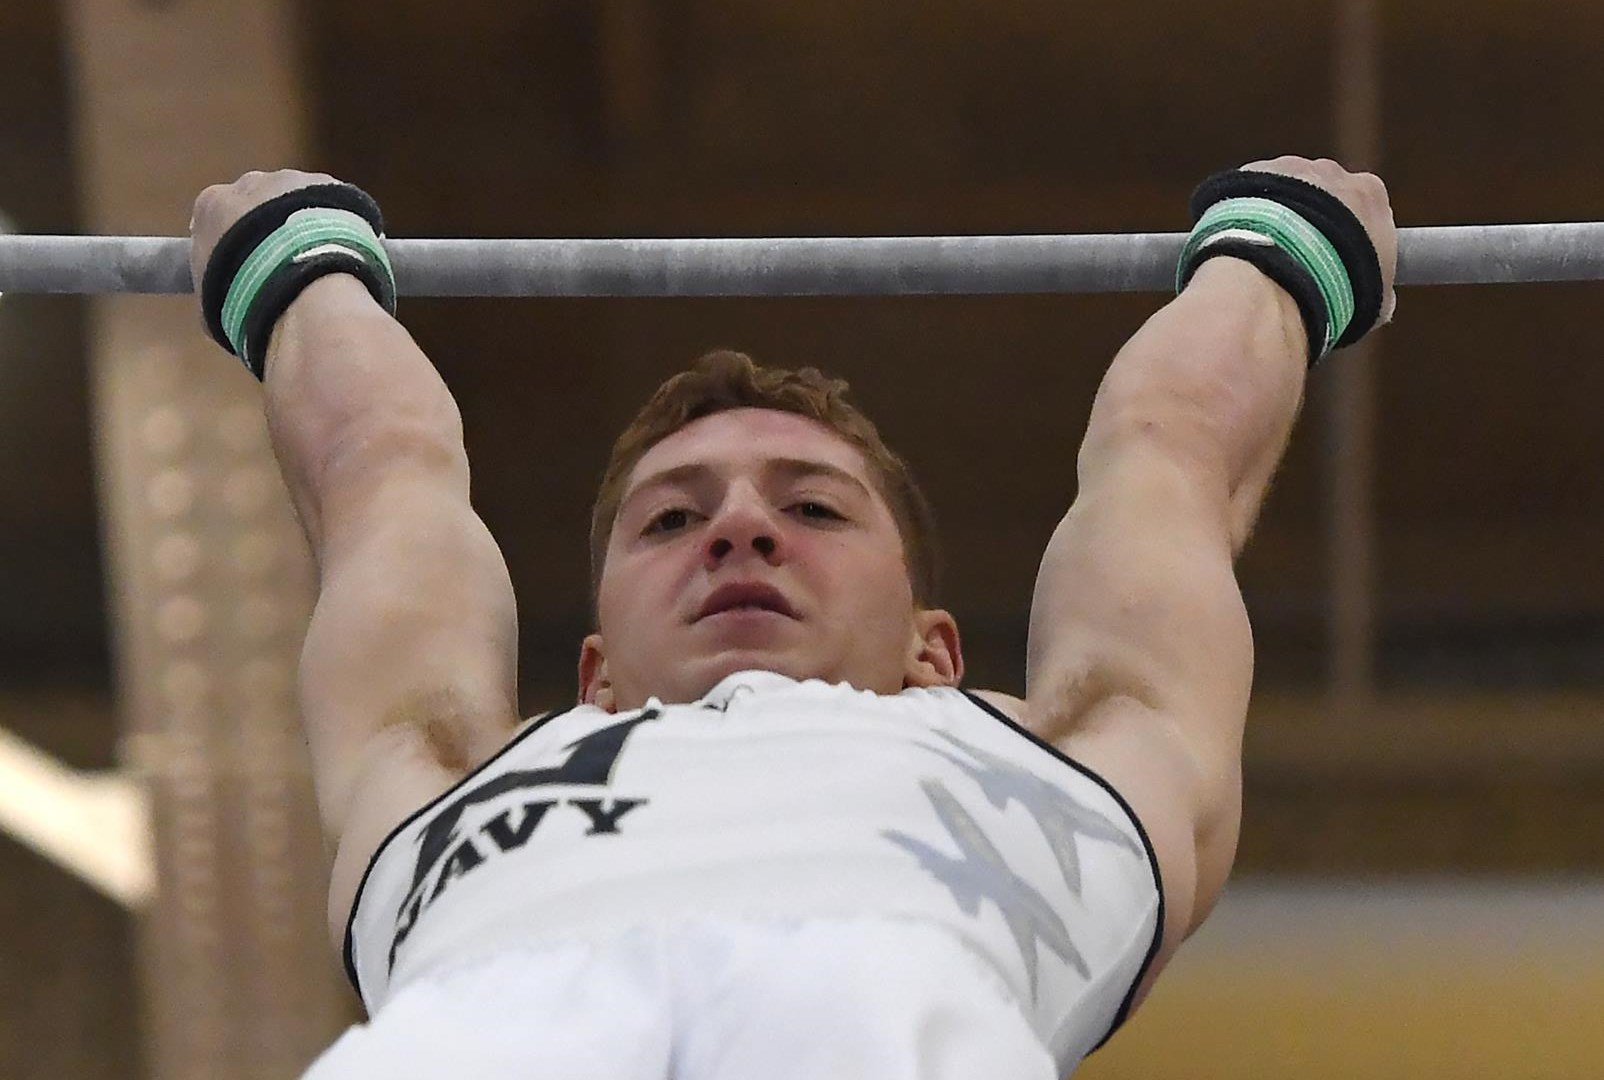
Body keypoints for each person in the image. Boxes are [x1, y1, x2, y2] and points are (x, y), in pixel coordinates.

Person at [188, 156, 1396, 1078]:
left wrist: (1278, 247)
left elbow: (1166, 451)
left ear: (937, 652)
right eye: (670, 520)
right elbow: (383, 467)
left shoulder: (1075, 751)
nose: (737, 530)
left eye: (811, 507)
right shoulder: (445, 766)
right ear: (593, 677)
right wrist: (295, 259)